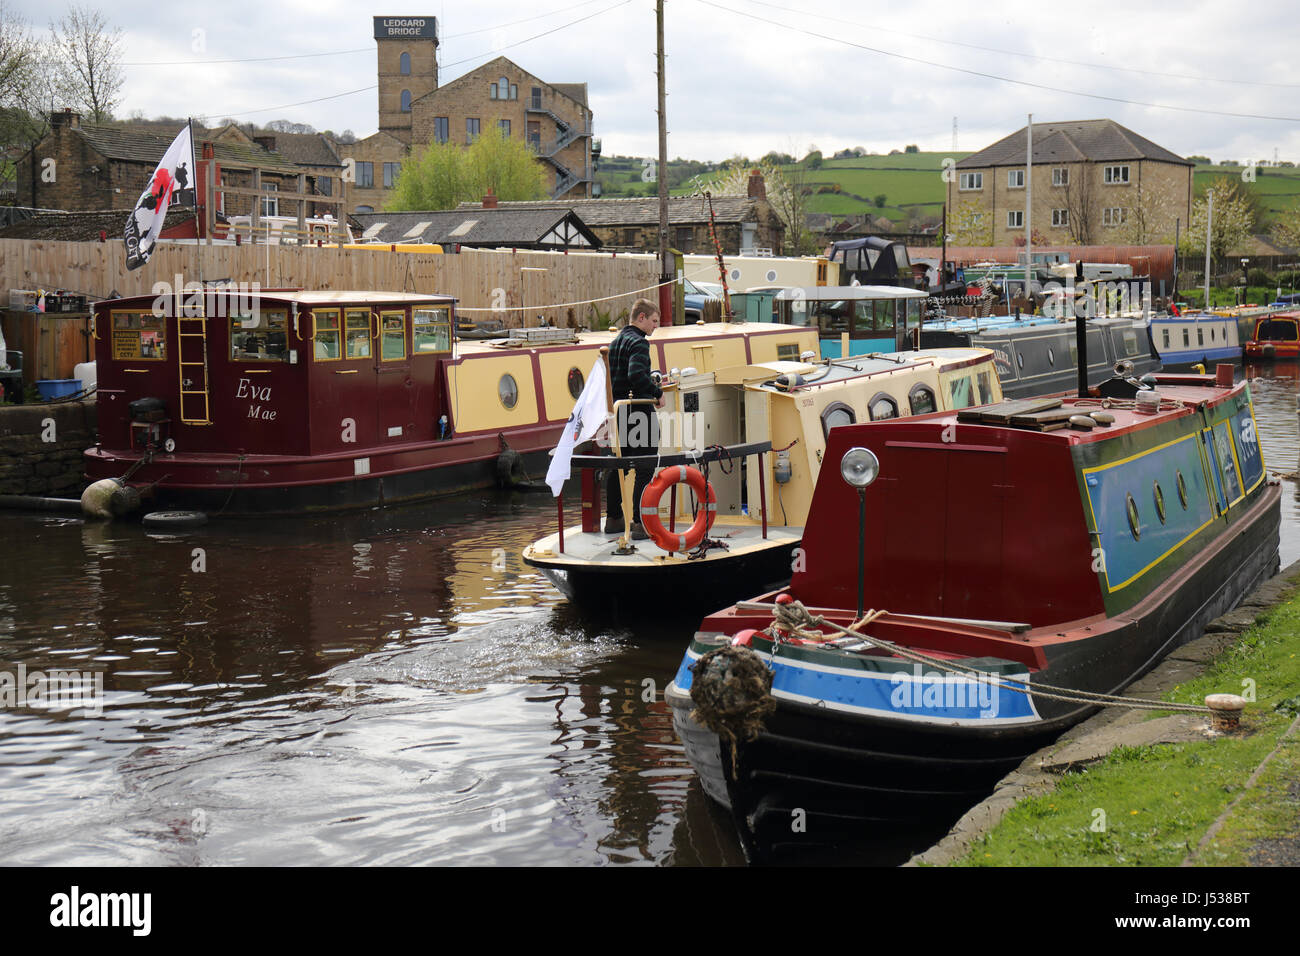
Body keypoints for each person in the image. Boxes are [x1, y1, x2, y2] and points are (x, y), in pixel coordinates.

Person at [605, 298, 664, 538]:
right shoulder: (639, 343)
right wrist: (657, 392)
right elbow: (636, 375)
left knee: (619, 466)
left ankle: (613, 519)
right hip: (639, 411)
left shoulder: (615, 342)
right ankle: (640, 523)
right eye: (654, 321)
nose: (655, 327)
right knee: (644, 467)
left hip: (619, 413)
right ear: (641, 318)